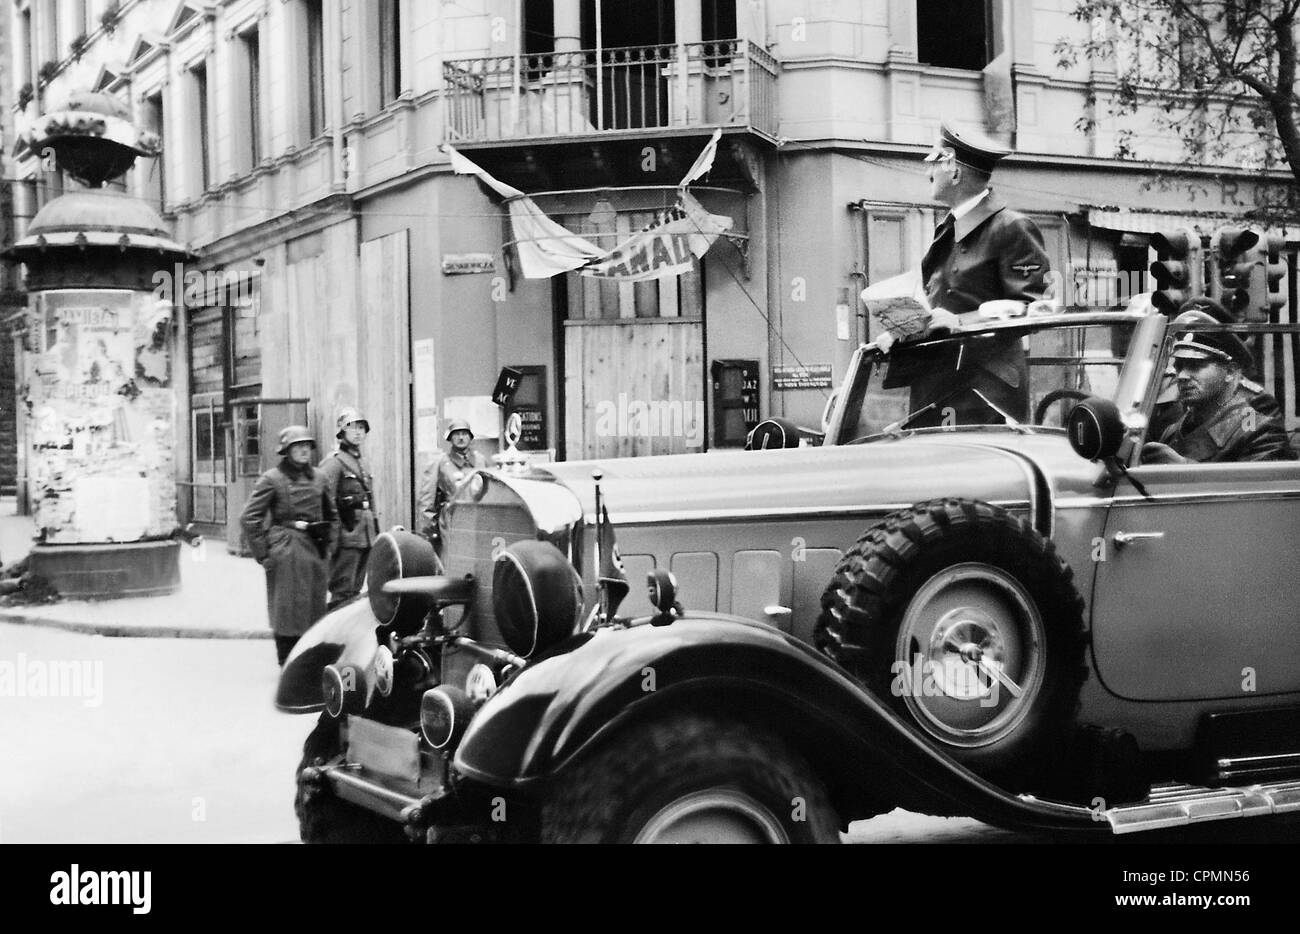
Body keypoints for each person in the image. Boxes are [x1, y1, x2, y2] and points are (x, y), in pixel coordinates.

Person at [893, 121, 1053, 426]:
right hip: (936, 389)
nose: (928, 172)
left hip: (984, 395)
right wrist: (902, 326)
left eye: (934, 162)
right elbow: (939, 302)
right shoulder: (948, 228)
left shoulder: (1012, 227)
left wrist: (960, 323)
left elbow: (1035, 308)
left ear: (954, 169)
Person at [240, 425, 339, 665]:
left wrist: (330, 545)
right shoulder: (272, 479)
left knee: (314, 606)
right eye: (298, 446)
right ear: (286, 450)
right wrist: (263, 554)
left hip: (315, 547)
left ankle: (309, 660)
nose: (304, 451)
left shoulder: (320, 477)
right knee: (286, 609)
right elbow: (249, 517)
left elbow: (332, 514)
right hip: (286, 547)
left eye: (307, 446)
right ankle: (287, 661)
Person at [1142, 315, 1296, 464]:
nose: (1182, 376)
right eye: (1179, 366)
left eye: (1195, 365)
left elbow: (1258, 487)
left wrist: (1183, 468)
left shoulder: (1260, 431)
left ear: (1229, 372)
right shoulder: (1172, 432)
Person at [320, 407, 378, 609]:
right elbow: (324, 500)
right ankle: (333, 635)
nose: (358, 432)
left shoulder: (361, 461)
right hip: (347, 535)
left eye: (361, 427)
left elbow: (370, 498)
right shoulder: (334, 462)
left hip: (365, 534)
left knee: (355, 590)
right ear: (342, 432)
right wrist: (337, 534)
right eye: (352, 427)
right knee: (342, 591)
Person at [417, 417, 487, 548]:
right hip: (452, 520)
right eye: (456, 434)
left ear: (470, 437)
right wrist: (429, 532)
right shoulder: (440, 462)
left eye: (464, 434)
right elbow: (426, 500)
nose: (461, 437)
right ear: (450, 438)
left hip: (478, 521)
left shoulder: (480, 460)